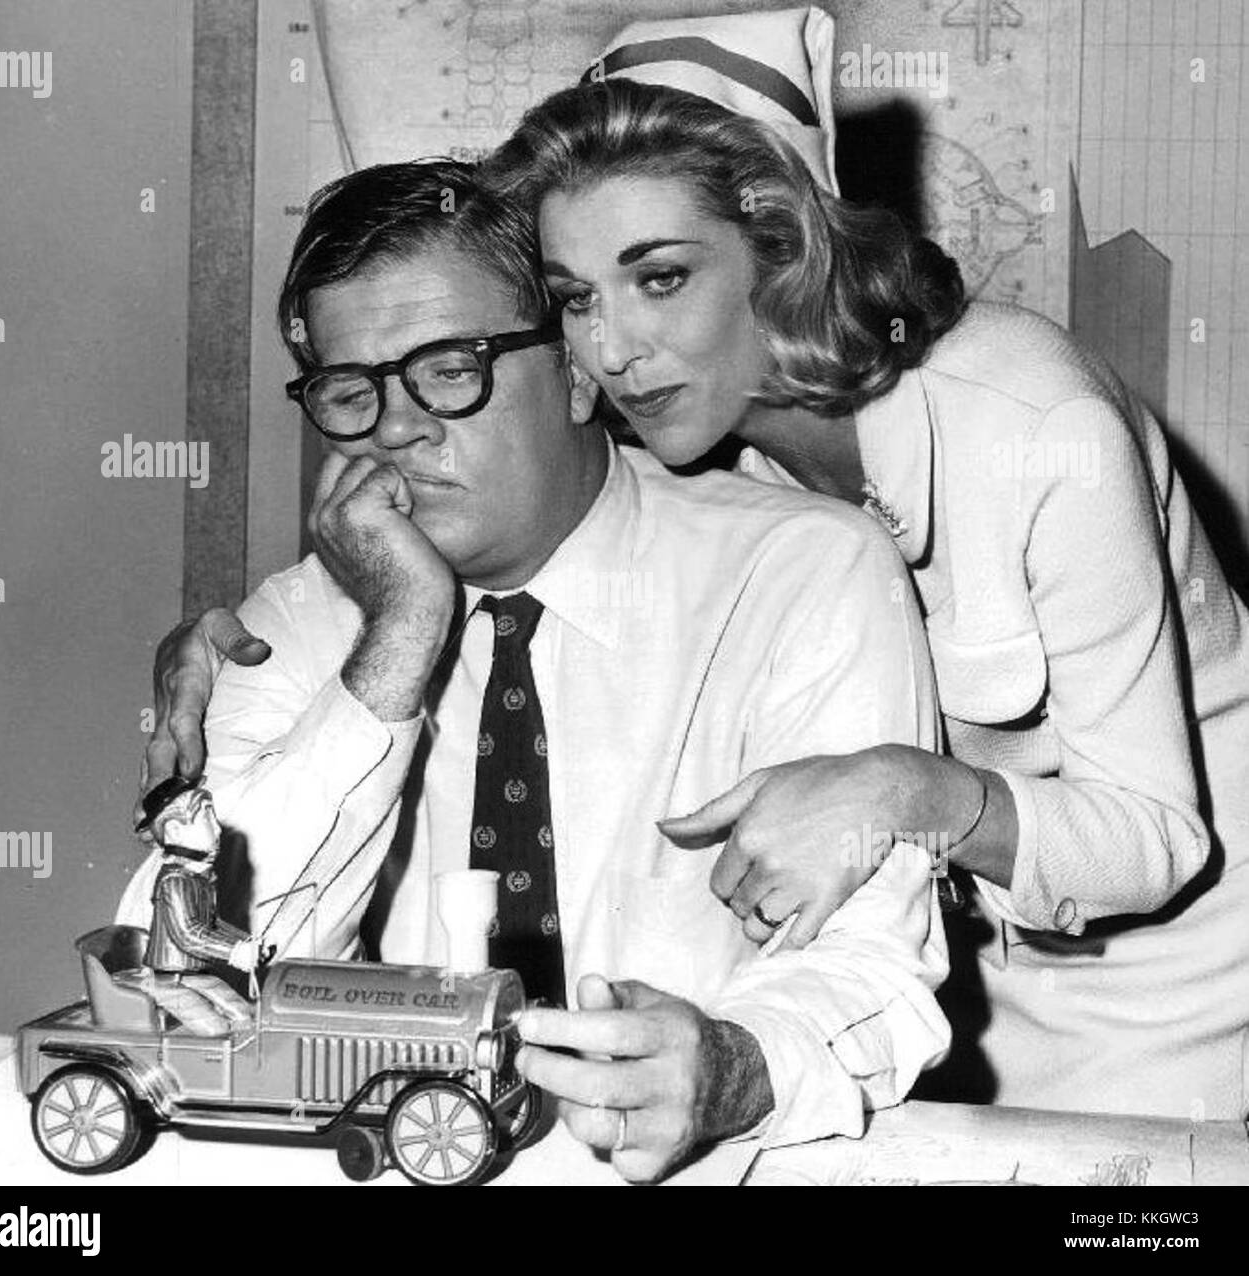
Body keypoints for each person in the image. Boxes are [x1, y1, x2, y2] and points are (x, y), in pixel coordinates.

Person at [467, 12, 1249, 1122]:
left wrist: (897, 792)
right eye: (577, 298)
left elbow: (1156, 840)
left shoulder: (1038, 426)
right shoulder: (695, 451)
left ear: (785, 252)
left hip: (1174, 983)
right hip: (933, 973)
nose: (612, 349)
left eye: (661, 279)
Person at [120, 158, 949, 1182]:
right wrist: (398, 639)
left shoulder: (799, 573)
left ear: (574, 369)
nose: (395, 427)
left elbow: (872, 964)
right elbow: (185, 983)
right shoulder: (295, 622)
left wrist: (730, 1066)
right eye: (350, 390)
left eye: (449, 368)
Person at [122, 775, 263, 1037]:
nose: (218, 830)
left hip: (192, 977)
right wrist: (235, 953)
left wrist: (245, 942)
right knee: (215, 1029)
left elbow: (211, 923)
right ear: (175, 831)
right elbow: (189, 934)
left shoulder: (200, 877)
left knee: (244, 1014)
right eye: (206, 819)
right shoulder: (174, 881)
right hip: (168, 982)